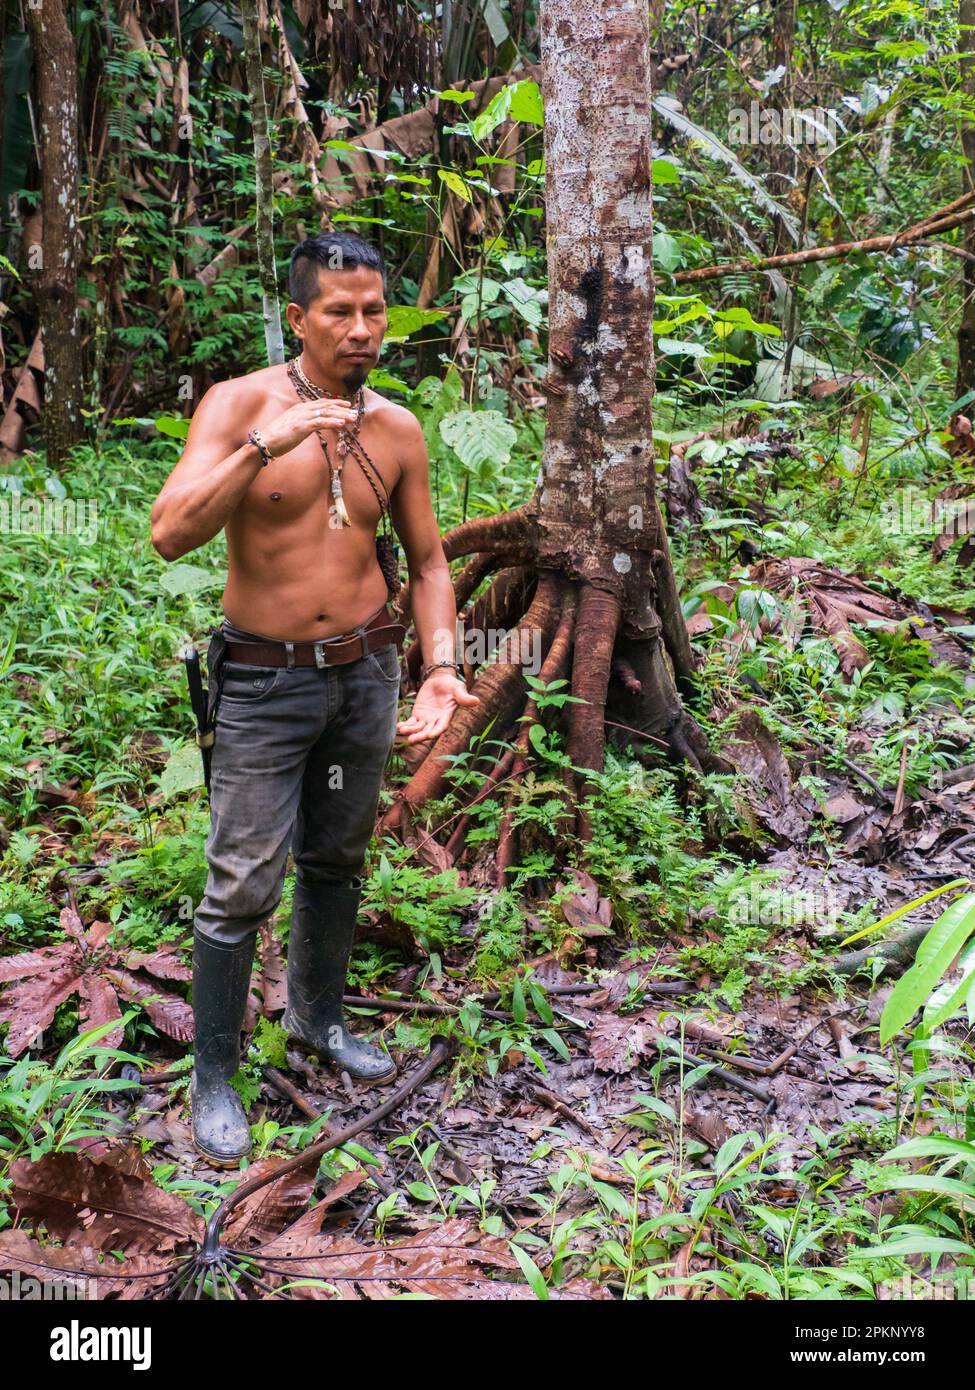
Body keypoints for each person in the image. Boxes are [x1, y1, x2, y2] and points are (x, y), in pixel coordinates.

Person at [150, 232, 479, 1166]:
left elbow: (429, 562)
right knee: (243, 878)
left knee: (336, 858)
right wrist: (266, 445)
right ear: (297, 318)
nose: (361, 328)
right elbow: (169, 534)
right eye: (339, 310)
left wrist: (443, 668)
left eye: (374, 310)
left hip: (366, 674)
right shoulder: (237, 404)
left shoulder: (399, 428)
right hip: (262, 678)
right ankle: (214, 1076)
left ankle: (317, 1023)